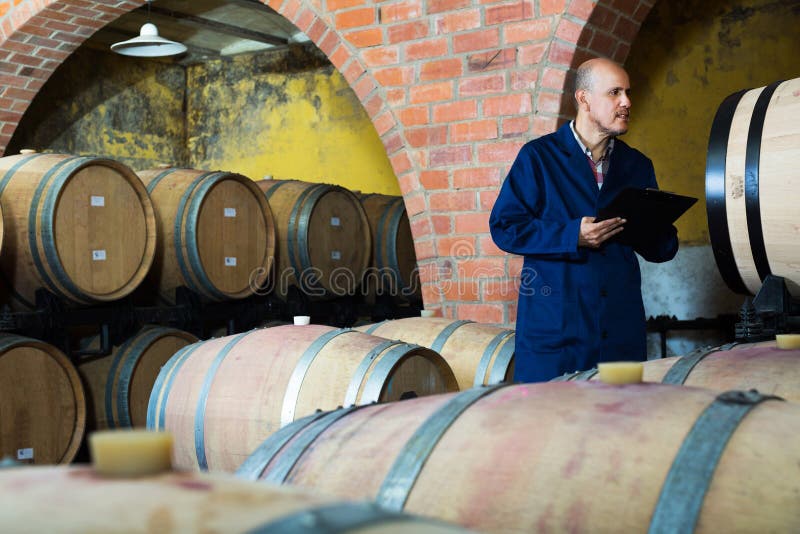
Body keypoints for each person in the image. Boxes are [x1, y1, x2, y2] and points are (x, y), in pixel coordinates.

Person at [489, 57, 678, 382]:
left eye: (627, 92)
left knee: (620, 428)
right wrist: (571, 235)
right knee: (553, 429)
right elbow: (505, 227)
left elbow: (661, 249)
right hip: (556, 337)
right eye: (614, 93)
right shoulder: (539, 158)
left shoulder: (637, 165)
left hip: (621, 337)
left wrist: (654, 224)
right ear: (584, 98)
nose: (626, 102)